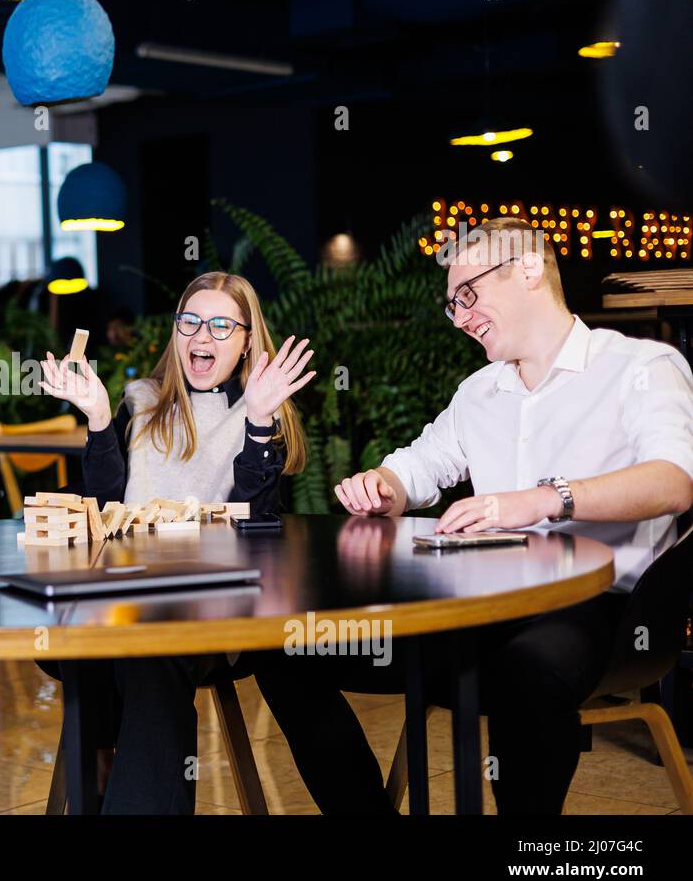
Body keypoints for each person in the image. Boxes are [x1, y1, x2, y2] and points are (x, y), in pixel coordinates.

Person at [248, 217, 693, 814]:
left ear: (530, 270)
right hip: (478, 613)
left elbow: (674, 482)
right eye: (452, 303)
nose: (459, 317)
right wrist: (383, 487)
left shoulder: (640, 367)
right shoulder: (478, 392)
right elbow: (417, 468)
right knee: (285, 651)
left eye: (468, 295)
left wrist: (542, 499)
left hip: (600, 610)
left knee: (525, 674)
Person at [39, 270, 316, 813]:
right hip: (121, 601)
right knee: (93, 651)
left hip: (213, 614)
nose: (200, 337)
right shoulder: (140, 400)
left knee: (147, 652)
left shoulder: (260, 409)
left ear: (244, 341)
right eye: (189, 322)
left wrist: (259, 423)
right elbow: (103, 509)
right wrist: (98, 421)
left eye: (219, 325)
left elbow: (260, 528)